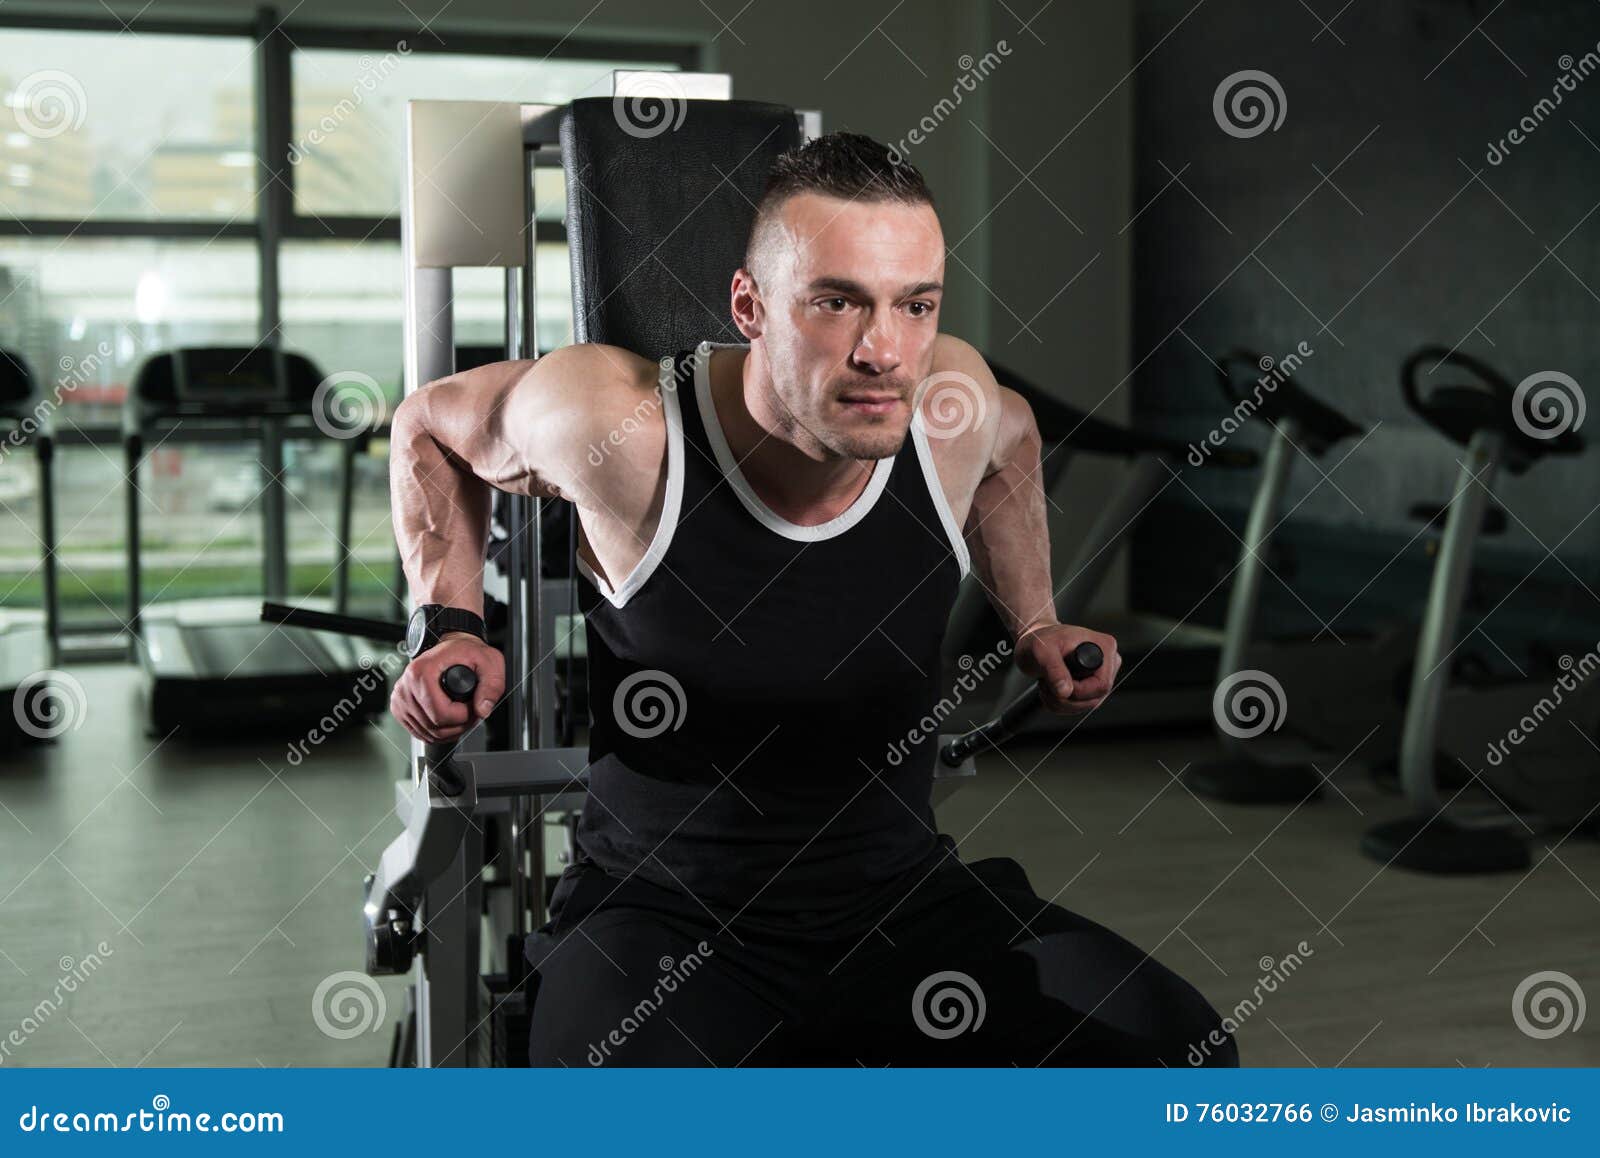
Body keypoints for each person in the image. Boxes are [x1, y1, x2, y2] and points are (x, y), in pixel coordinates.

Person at [387, 132, 1237, 1067]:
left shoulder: (949, 403)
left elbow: (1013, 439)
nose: (885, 352)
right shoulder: (622, 427)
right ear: (749, 307)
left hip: (902, 907)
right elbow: (429, 425)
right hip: (665, 919)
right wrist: (449, 625)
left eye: (915, 305)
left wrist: (1034, 619)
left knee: (1184, 1056)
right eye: (837, 303)